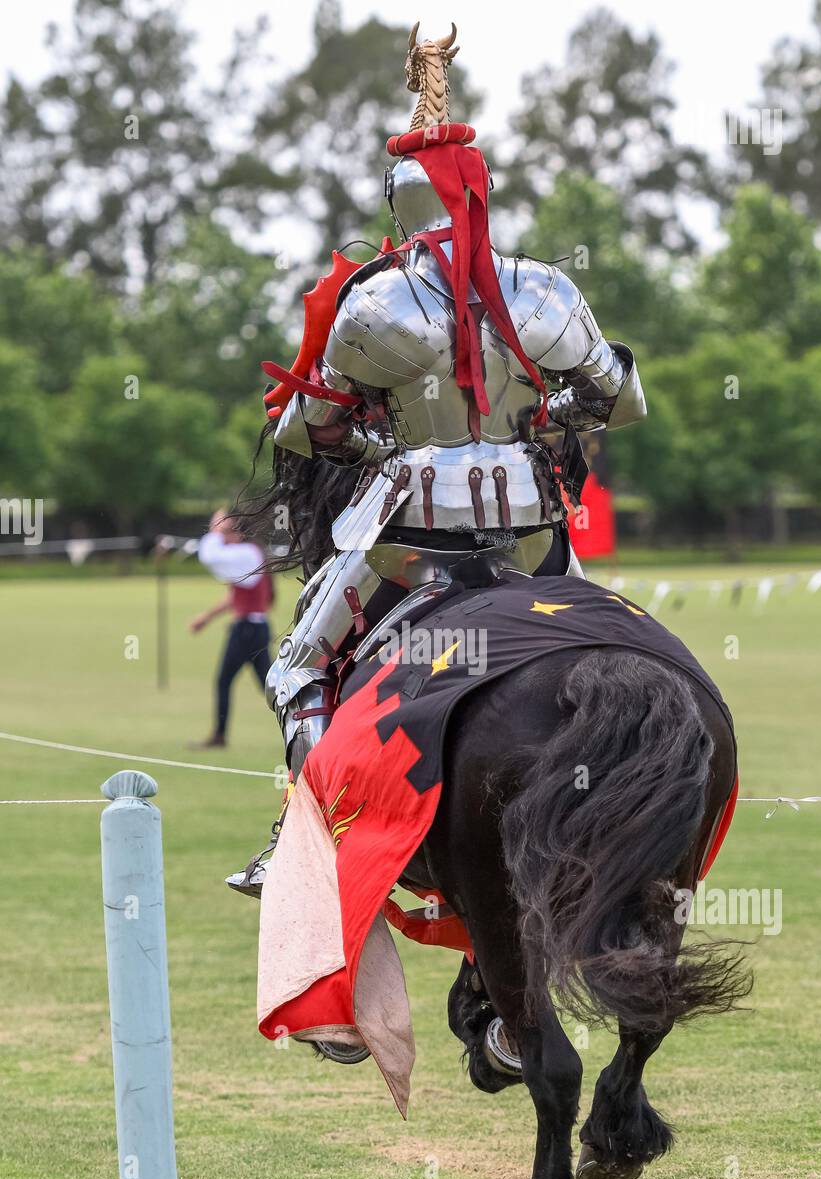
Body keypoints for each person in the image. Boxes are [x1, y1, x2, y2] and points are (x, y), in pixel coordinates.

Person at [227, 22, 646, 897]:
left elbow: (310, 431)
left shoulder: (378, 301)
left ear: (403, 207)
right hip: (534, 528)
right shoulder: (546, 288)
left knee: (299, 666)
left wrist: (385, 439)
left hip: (411, 529)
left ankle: (307, 852)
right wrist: (543, 415)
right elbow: (621, 401)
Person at [189, 509, 274, 749]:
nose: (222, 538)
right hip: (252, 628)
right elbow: (233, 597)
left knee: (227, 681)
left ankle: (219, 736)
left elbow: (209, 556)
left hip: (248, 629)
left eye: (225, 532)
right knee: (268, 685)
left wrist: (215, 529)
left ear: (238, 533)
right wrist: (206, 618)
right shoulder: (248, 556)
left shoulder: (247, 554)